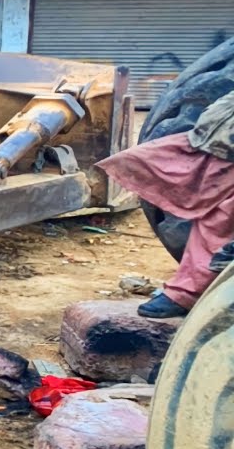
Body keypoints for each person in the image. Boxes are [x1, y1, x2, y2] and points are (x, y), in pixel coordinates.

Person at [97, 91, 234, 318]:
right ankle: (187, 292)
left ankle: (186, 294)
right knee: (148, 159)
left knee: (221, 219)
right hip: (216, 139)